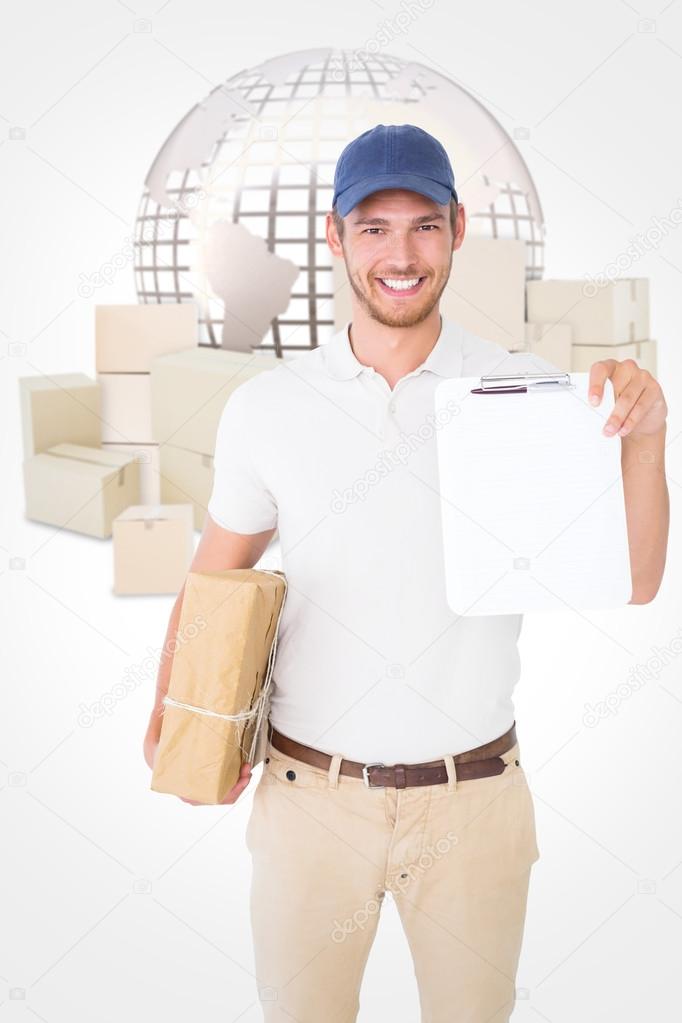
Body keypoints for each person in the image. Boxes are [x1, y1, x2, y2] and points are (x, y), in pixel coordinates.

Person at [144, 124, 669, 1022]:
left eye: (424, 225)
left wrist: (648, 438)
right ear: (335, 236)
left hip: (475, 805)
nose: (400, 254)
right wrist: (176, 723)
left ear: (458, 229)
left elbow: (639, 577)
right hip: (308, 802)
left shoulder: (524, 396)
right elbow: (211, 580)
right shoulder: (270, 407)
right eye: (375, 227)